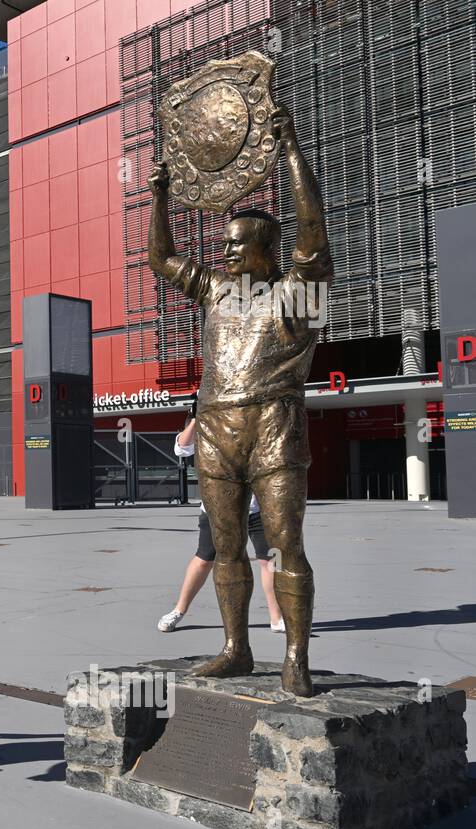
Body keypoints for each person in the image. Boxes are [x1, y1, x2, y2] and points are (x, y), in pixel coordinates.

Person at [148, 102, 332, 695]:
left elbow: (312, 235)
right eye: (223, 246)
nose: (224, 253)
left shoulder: (297, 294)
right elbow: (161, 260)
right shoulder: (217, 292)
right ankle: (236, 648)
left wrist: (294, 152)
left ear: (265, 248)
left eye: (235, 245)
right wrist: (160, 196)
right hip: (217, 428)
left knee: (285, 544)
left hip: (275, 424)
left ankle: (296, 657)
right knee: (225, 545)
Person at [157, 417, 285, 634]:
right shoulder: (207, 429)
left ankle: (277, 618)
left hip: (256, 508)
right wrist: (197, 419)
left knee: (272, 559)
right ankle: (178, 610)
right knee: (204, 559)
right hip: (218, 508)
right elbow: (181, 449)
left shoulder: (252, 425)